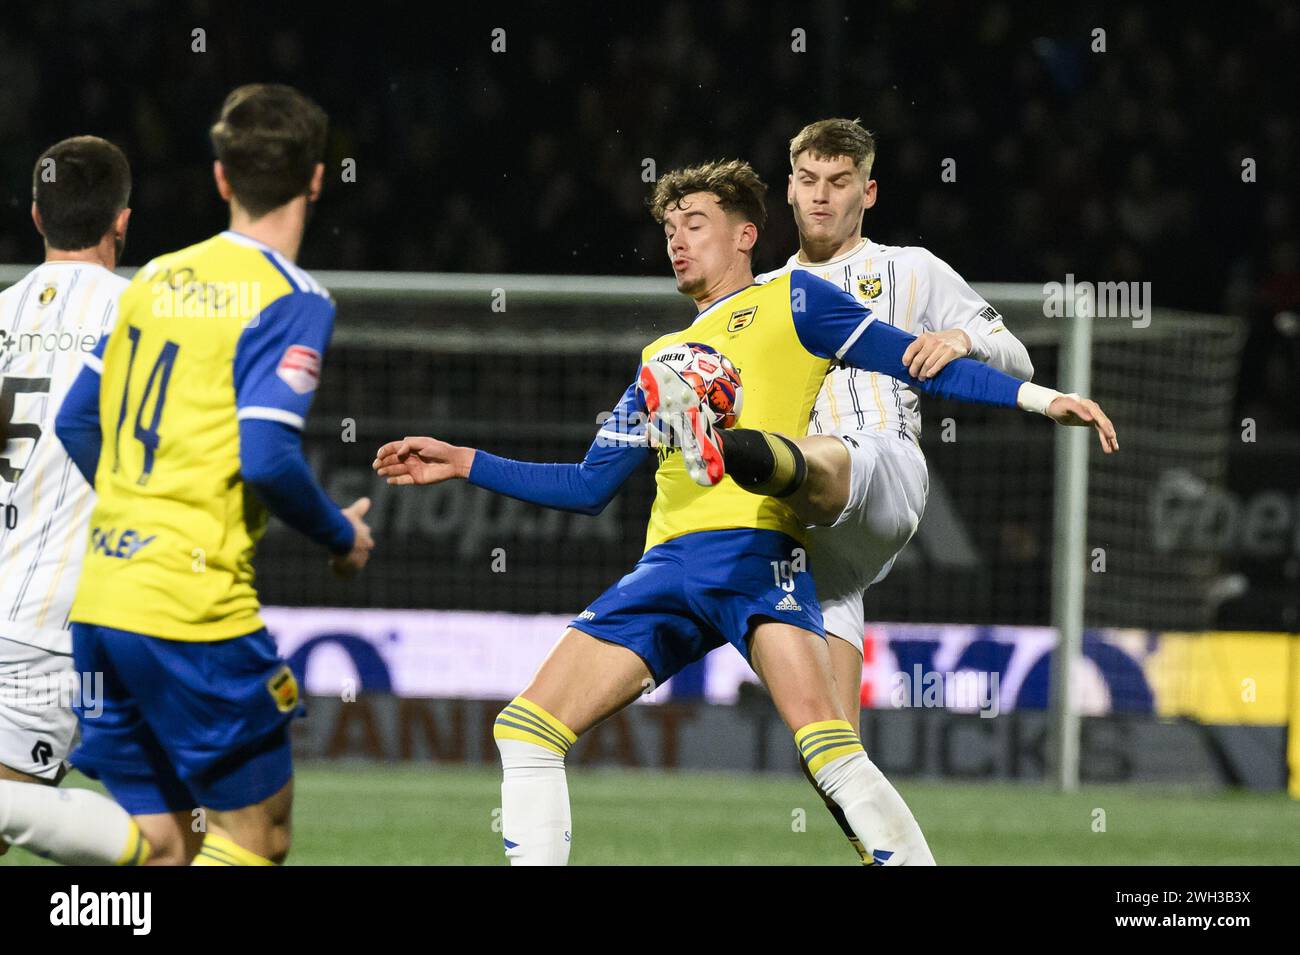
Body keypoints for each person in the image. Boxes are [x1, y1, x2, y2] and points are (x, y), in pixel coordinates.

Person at [374, 158, 1116, 865]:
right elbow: (586, 486)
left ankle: (728, 447)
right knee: (528, 729)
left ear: (745, 234)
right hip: (666, 567)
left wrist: (1042, 398)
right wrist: (465, 460)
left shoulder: (793, 298)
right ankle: (716, 441)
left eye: (693, 222)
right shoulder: (662, 353)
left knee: (827, 749)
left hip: (756, 548)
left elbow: (915, 358)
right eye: (668, 227)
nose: (676, 238)